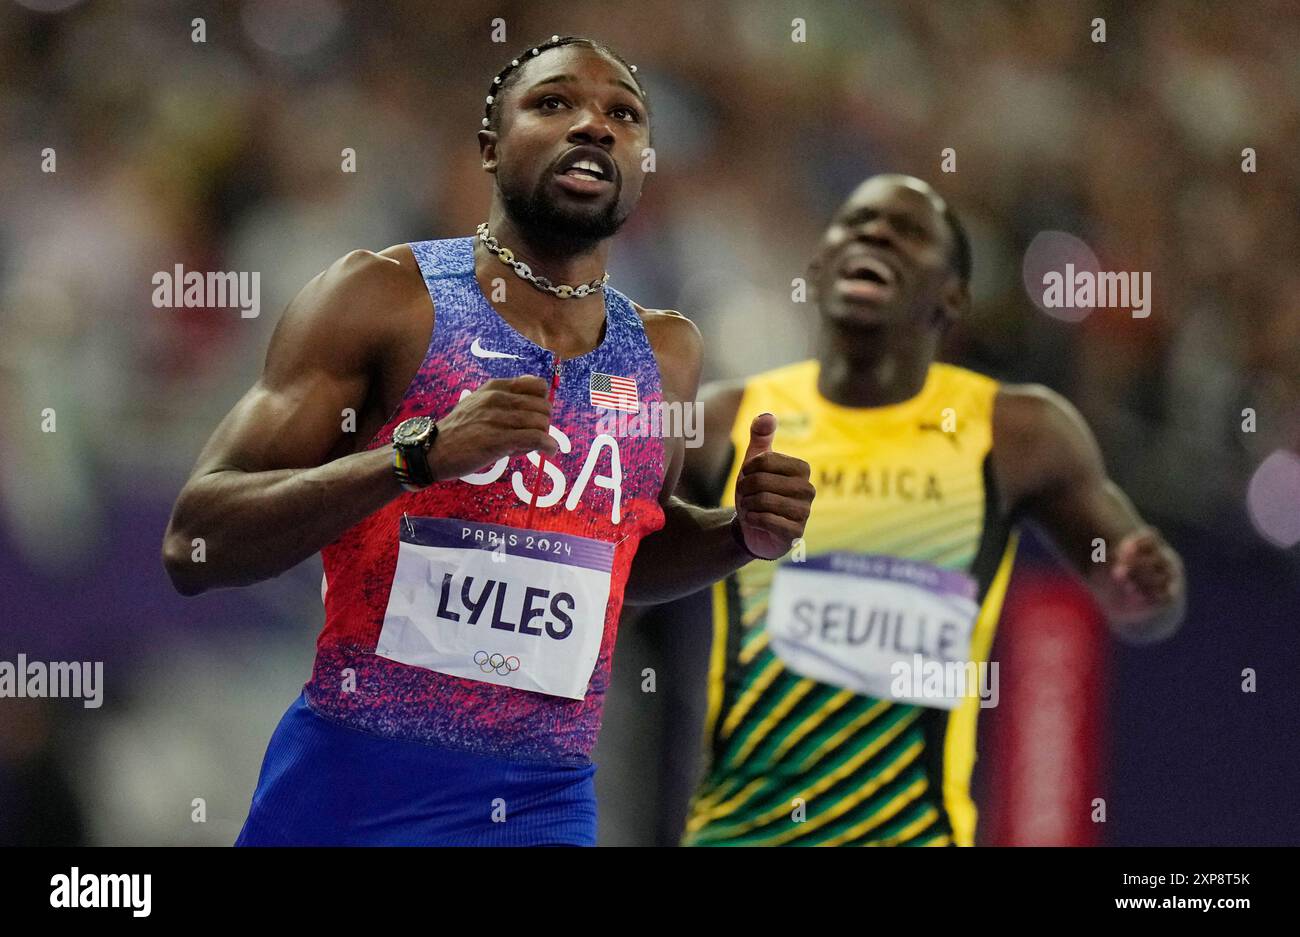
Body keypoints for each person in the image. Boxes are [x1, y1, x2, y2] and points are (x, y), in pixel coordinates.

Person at [161, 35, 814, 846]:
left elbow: (619, 558)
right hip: (351, 791)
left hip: (545, 803)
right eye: (553, 104)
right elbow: (195, 541)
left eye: (623, 115)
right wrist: (415, 459)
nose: (594, 127)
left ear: (646, 164)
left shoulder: (665, 351)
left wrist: (735, 536)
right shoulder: (383, 298)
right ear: (489, 147)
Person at [659, 174, 1185, 847]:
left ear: (954, 295)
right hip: (739, 835)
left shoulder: (1019, 432)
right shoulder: (726, 420)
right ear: (818, 270)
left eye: (907, 232)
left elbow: (1138, 600)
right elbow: (629, 561)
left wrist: (1144, 584)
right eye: (856, 223)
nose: (875, 234)